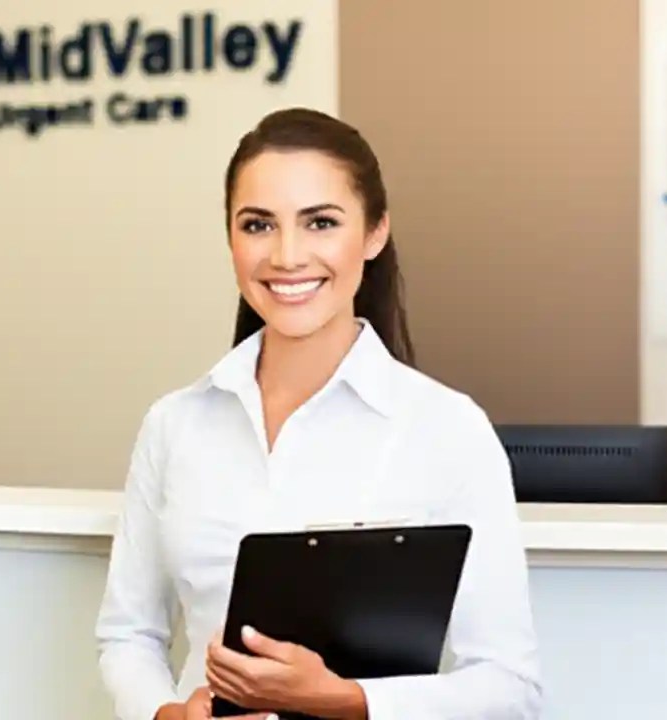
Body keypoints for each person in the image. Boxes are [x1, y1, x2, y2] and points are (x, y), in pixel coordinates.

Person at [95, 108, 541, 720]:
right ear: (229, 235)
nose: (287, 256)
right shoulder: (175, 425)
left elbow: (509, 687)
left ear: (375, 232)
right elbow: (128, 635)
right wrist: (168, 716)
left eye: (321, 222)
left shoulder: (448, 430)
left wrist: (343, 700)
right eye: (258, 225)